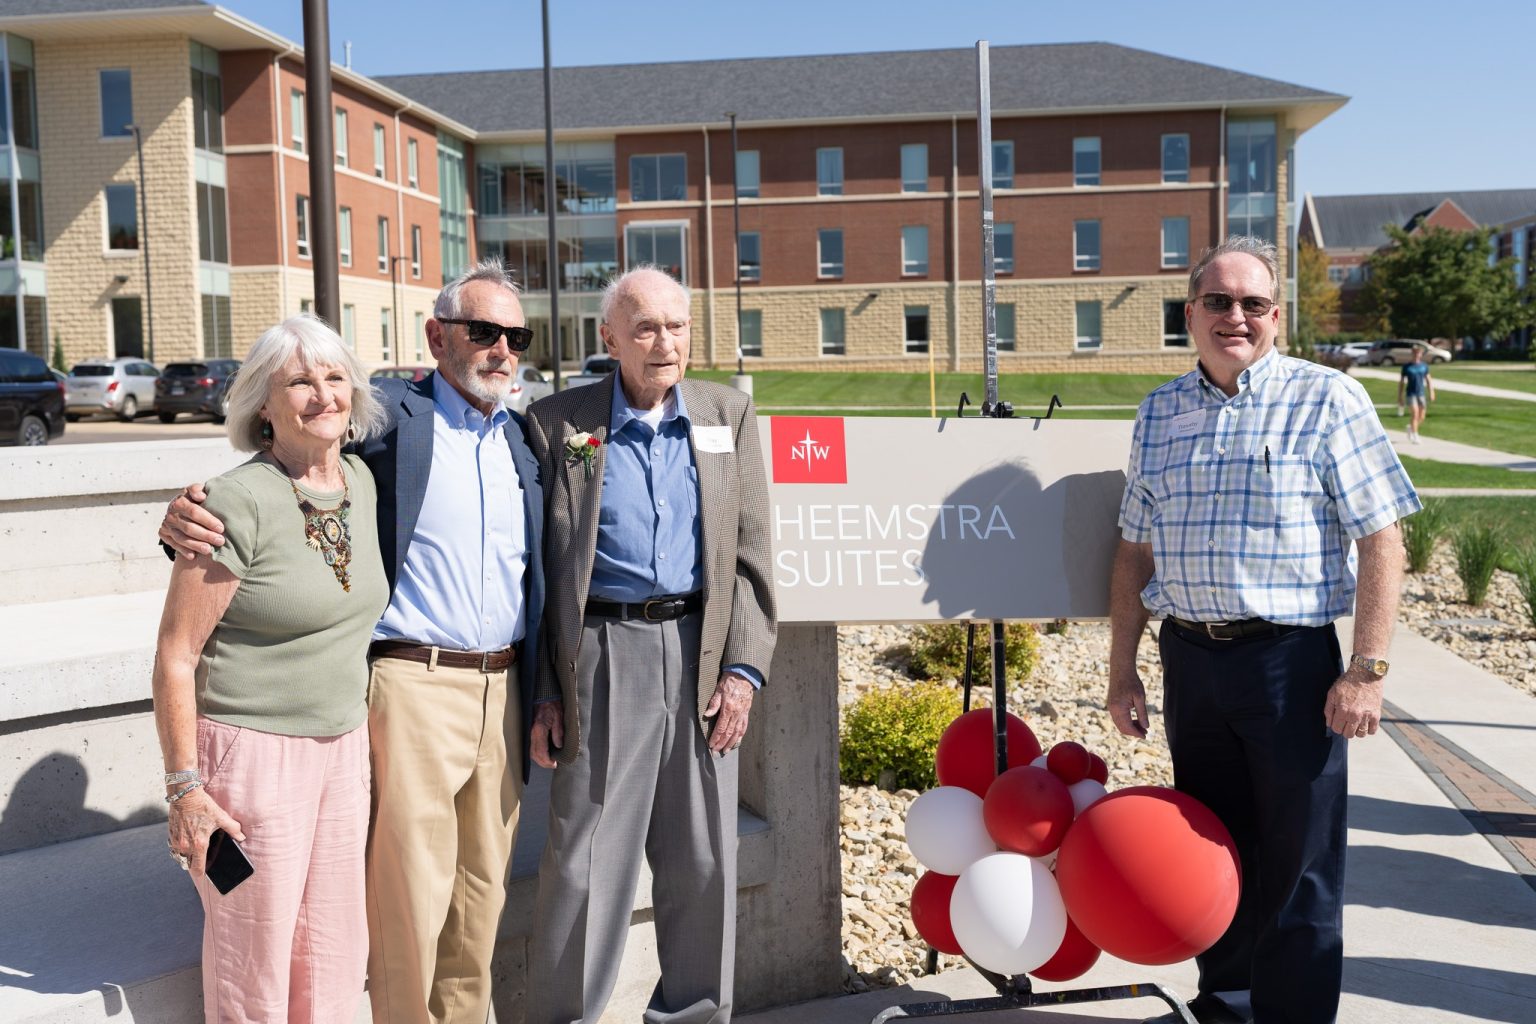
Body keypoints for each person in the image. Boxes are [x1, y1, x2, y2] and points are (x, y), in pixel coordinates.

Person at [159, 258, 545, 1024]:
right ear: (437, 337)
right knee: (393, 907)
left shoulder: (524, 437)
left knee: (472, 899)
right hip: (400, 689)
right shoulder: (395, 424)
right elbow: (246, 510)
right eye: (483, 331)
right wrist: (180, 526)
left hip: (493, 693)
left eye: (516, 335)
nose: (501, 348)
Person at [1106, 237, 1420, 1024]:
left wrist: (1366, 670)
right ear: (1192, 314)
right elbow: (1133, 551)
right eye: (1218, 301)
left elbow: (1382, 536)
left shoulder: (1327, 399)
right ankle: (1229, 1001)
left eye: (1253, 303)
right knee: (1214, 850)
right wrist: (1123, 670)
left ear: (1276, 316)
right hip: (1191, 663)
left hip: (1290, 667)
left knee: (1300, 867)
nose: (1235, 316)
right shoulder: (1159, 414)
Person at [522, 266, 776, 1024]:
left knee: (702, 859)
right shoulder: (559, 424)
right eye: (645, 328)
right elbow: (538, 571)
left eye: (676, 326)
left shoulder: (726, 414)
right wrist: (545, 690)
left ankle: (695, 1015)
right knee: (586, 863)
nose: (664, 342)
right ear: (610, 338)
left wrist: (743, 670)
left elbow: (754, 554)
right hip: (602, 652)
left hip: (702, 652)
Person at [154, 316, 390, 1022]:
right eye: (299, 381)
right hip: (252, 758)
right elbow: (174, 655)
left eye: (334, 377)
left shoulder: (359, 478)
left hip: (343, 749)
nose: (323, 395)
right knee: (253, 963)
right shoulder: (231, 502)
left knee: (335, 952)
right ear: (264, 402)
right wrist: (184, 789)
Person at [1397, 345, 1434, 443]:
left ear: (1421, 354)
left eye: (1419, 353)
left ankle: (1411, 427)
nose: (1417, 354)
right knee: (1415, 414)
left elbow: (1428, 380)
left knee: (1421, 416)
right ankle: (1415, 435)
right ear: (1412, 353)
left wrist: (1431, 392)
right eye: (1415, 352)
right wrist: (1400, 396)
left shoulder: (1424, 366)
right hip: (1410, 393)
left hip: (1421, 393)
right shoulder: (1407, 367)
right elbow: (1401, 382)